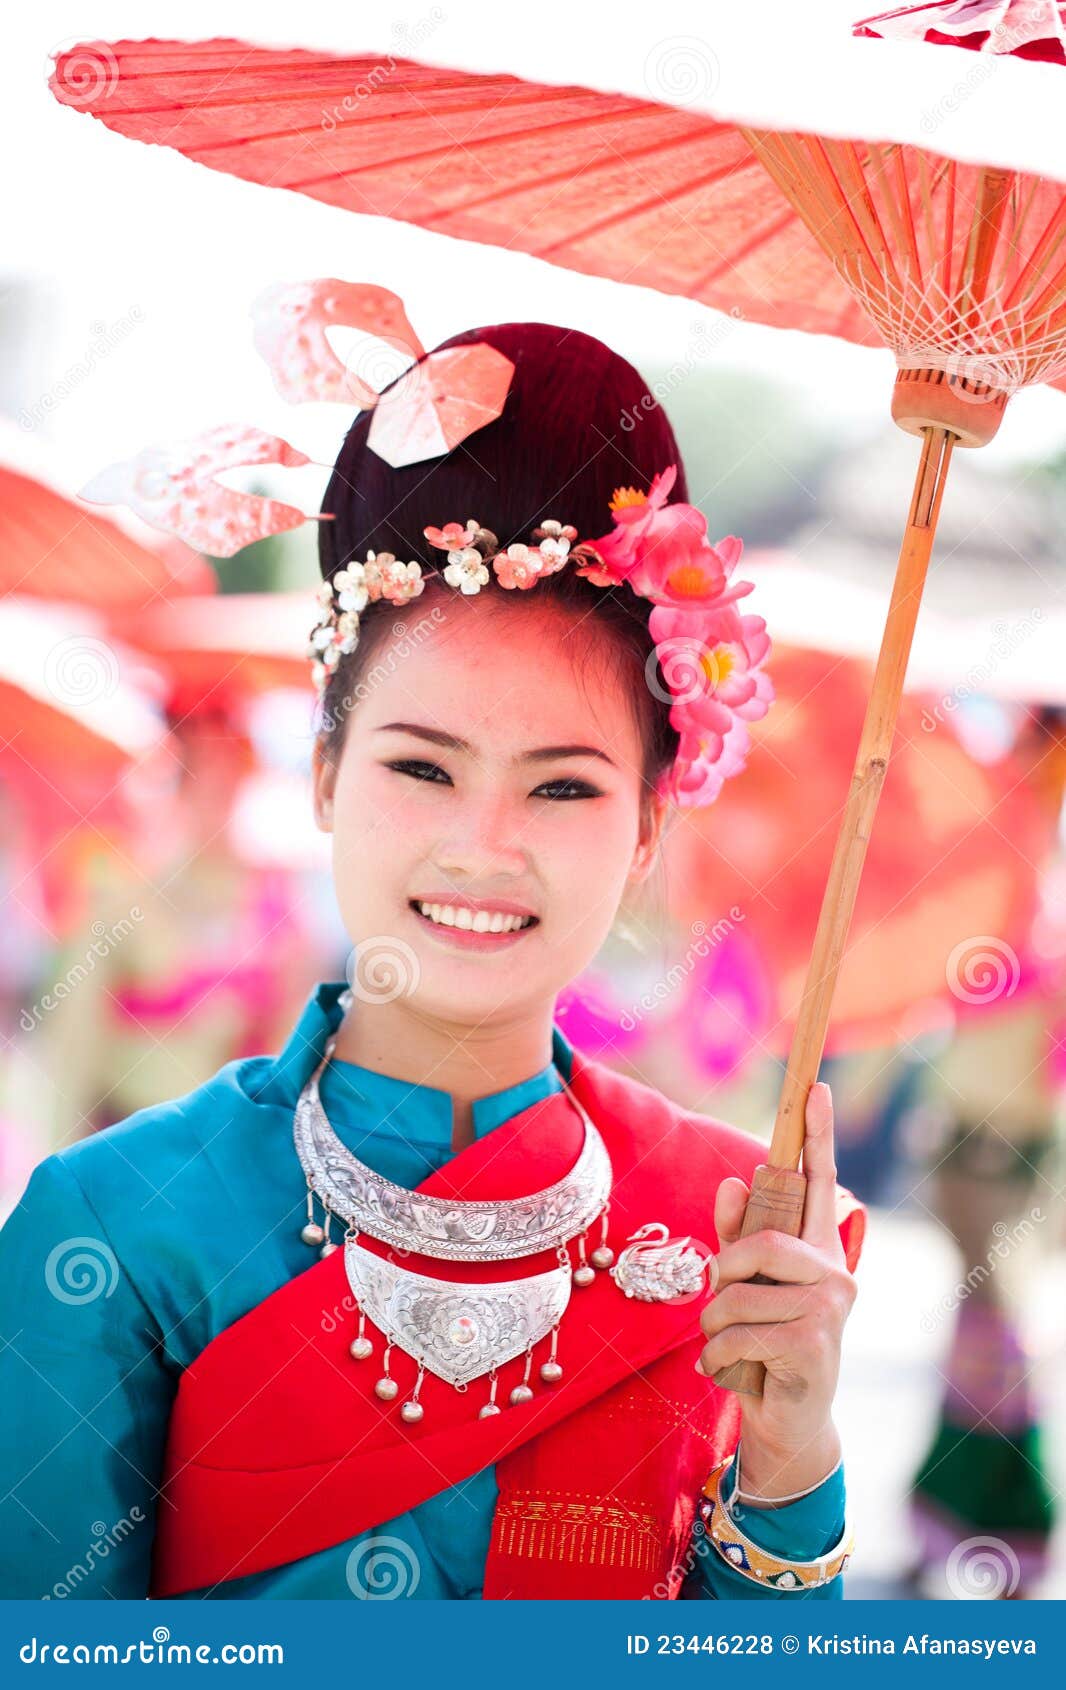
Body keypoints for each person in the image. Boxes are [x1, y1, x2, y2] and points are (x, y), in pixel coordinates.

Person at [0, 310, 864, 1600]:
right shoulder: (120, 1223)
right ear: (328, 779)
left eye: (563, 790)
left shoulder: (732, 1230)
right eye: (421, 767)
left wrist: (793, 1461)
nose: (484, 848)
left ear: (648, 828)